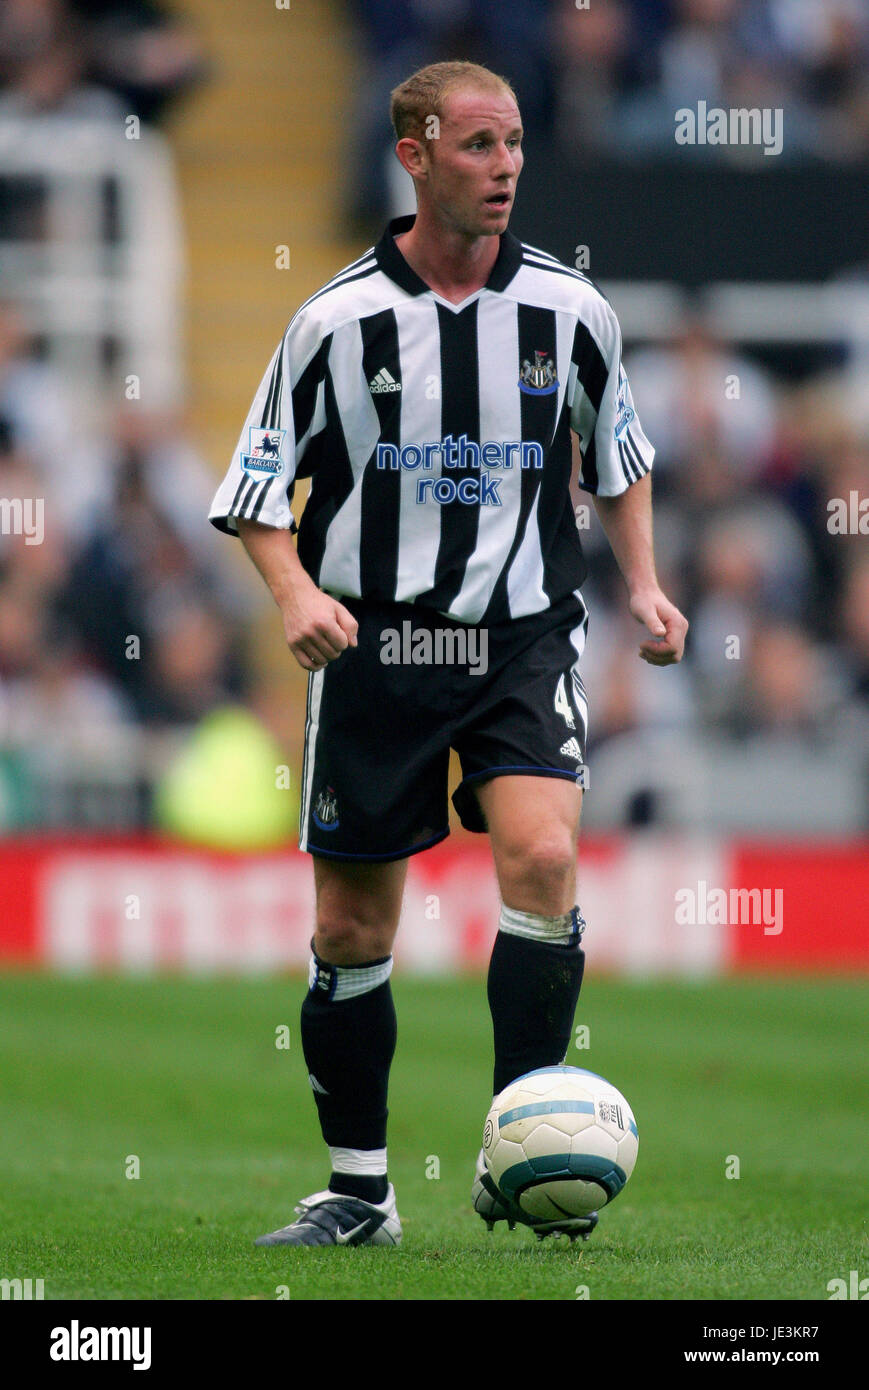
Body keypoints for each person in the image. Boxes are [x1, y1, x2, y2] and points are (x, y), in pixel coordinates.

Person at [208, 60, 688, 1247]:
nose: (506, 166)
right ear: (413, 156)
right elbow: (257, 487)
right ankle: (359, 1194)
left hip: (518, 636)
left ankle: (512, 1151)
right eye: (477, 145)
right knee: (352, 933)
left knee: (540, 857)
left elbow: (616, 459)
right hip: (375, 647)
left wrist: (644, 584)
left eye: (514, 143)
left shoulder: (572, 313)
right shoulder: (332, 321)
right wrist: (292, 592)